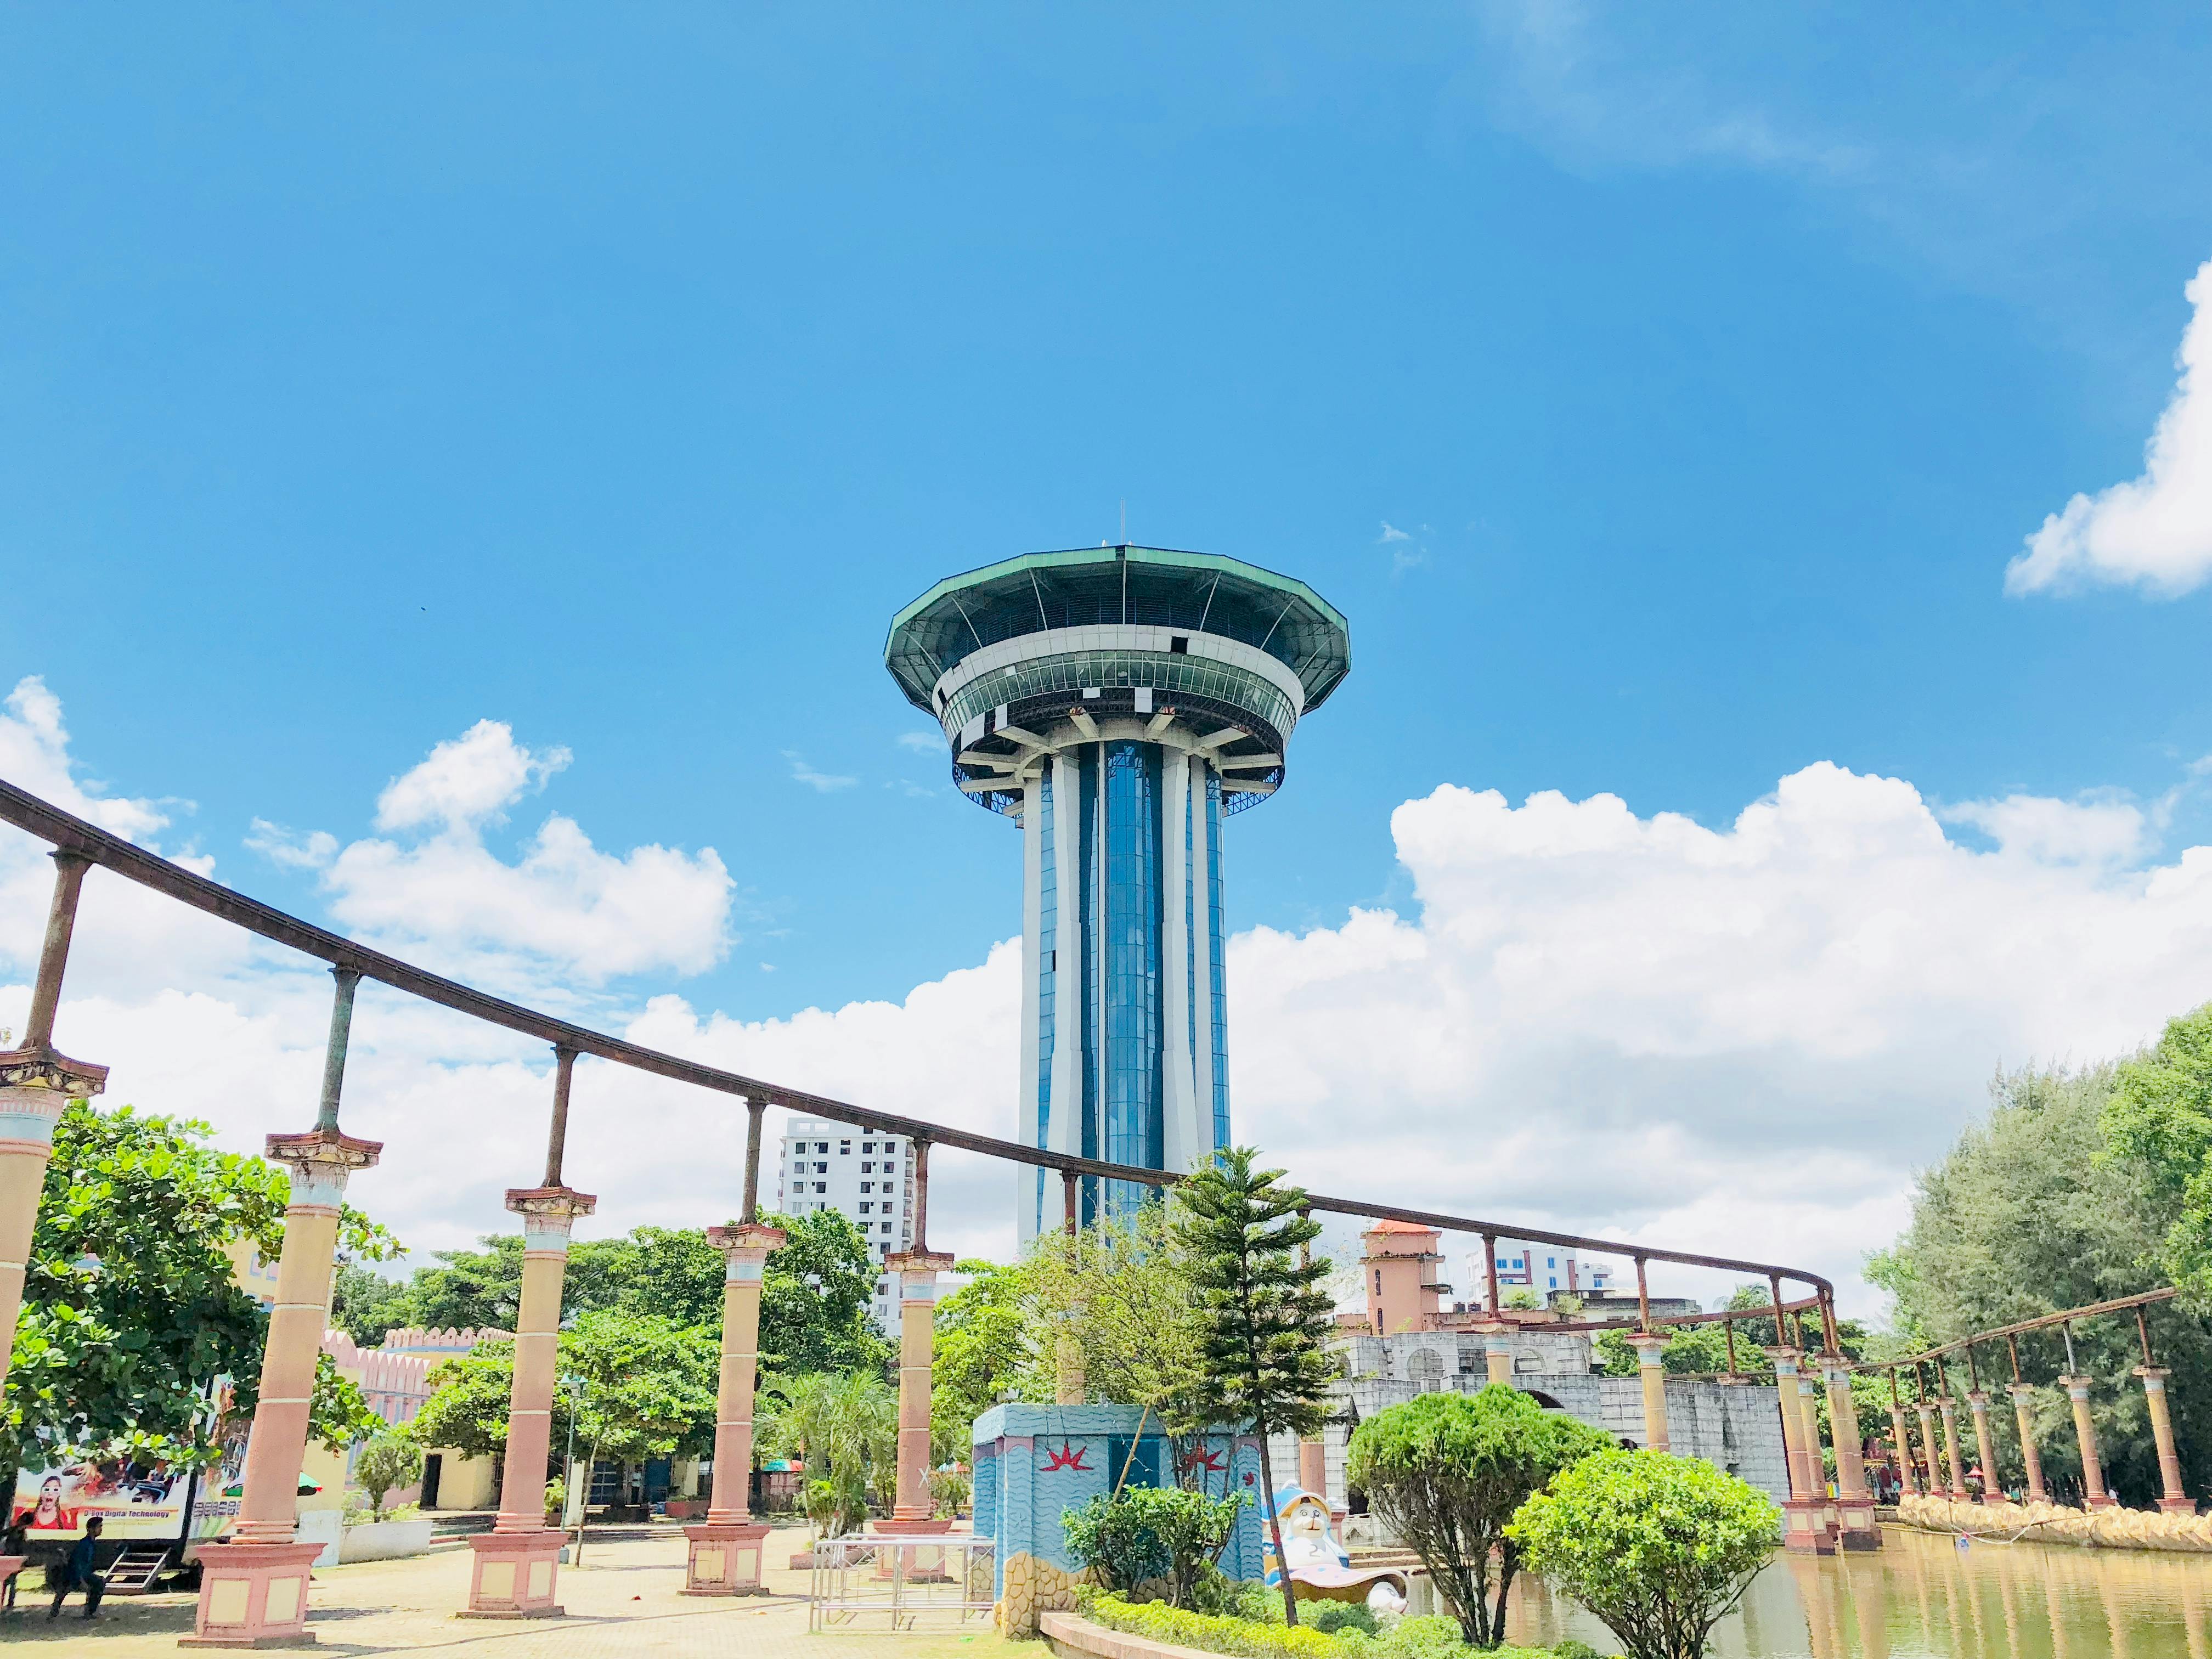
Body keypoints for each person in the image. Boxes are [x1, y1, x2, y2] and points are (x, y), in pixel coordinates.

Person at [47, 1515, 103, 1621]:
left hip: (83, 1574)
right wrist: (81, 1580)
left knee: (99, 1583)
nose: (101, 1529)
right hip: (75, 1575)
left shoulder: (91, 1544)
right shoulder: (85, 1544)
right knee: (65, 1591)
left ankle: (89, 1611)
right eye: (99, 1527)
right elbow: (76, 1564)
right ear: (91, 1529)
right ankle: (87, 1613)